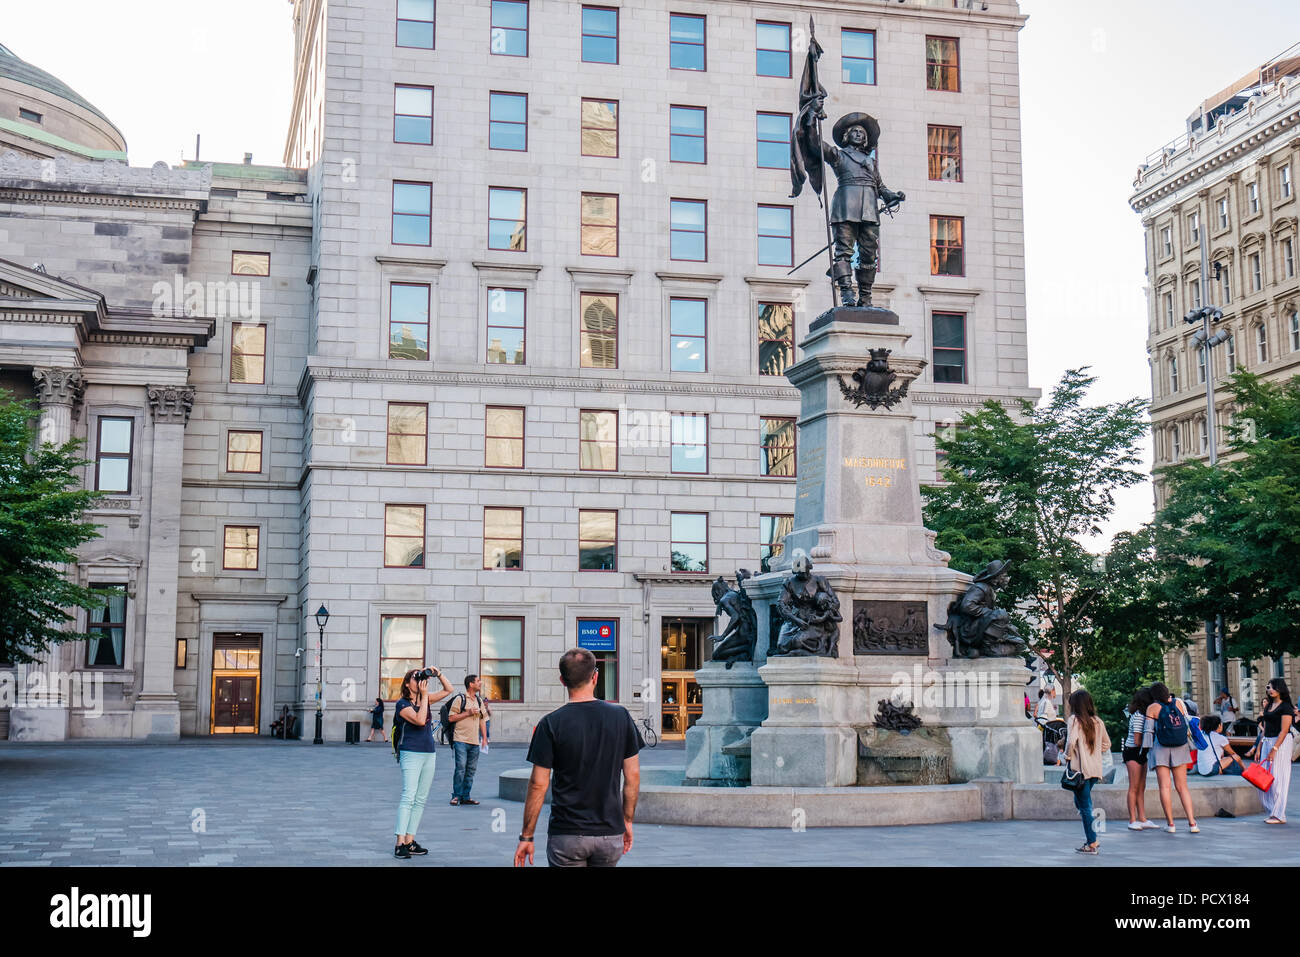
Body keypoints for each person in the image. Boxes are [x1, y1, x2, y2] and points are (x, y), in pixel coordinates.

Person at [514, 648, 643, 868]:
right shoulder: (621, 717)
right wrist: (627, 821)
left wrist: (527, 836)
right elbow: (633, 776)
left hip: (567, 834)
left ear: (562, 680)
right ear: (596, 676)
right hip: (609, 834)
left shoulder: (550, 724)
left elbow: (538, 784)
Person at [392, 666, 454, 859]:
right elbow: (419, 720)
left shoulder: (425, 698)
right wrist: (425, 695)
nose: (418, 680)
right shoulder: (402, 705)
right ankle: (399, 843)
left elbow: (449, 690)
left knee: (420, 799)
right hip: (411, 753)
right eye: (414, 677)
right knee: (408, 797)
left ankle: (410, 841)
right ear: (407, 683)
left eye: (420, 676)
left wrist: (438, 674)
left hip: (429, 753)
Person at [1145, 682, 1200, 834]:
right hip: (1180, 747)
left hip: (1161, 748)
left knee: (1165, 787)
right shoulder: (1180, 703)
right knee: (1182, 787)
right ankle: (1192, 823)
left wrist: (1145, 752)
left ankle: (1171, 824)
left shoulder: (1152, 708)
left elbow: (1148, 733)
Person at [1065, 689, 1111, 854]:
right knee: (1081, 802)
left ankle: (1092, 843)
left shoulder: (1074, 720)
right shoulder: (1098, 722)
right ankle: (1091, 840)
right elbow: (1107, 744)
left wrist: (1067, 756)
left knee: (1085, 806)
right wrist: (1094, 752)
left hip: (1080, 770)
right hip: (1094, 770)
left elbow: (1071, 742)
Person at [1246, 678, 1294, 824]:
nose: (1270, 690)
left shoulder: (1286, 707)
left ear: (1280, 689)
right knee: (1263, 779)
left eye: (1273, 687)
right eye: (1268, 687)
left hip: (1281, 743)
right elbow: (1265, 728)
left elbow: (1284, 730)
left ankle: (1279, 814)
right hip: (1267, 741)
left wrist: (1274, 749)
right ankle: (1273, 810)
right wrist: (1259, 747)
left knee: (1278, 778)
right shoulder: (1269, 706)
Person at [448, 674, 488, 806]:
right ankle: (456, 796)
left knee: (471, 770)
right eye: (477, 681)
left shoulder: (479, 701)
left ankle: (466, 796)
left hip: (475, 741)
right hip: (460, 739)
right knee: (460, 768)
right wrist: (468, 713)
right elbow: (451, 718)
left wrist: (484, 738)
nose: (480, 683)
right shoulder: (460, 699)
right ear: (471, 684)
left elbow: (483, 720)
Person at [1123, 687, 1157, 830]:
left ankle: (1142, 818)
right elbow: (1137, 740)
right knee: (1134, 787)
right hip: (1133, 751)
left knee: (1141, 786)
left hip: (1141, 752)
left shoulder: (1144, 715)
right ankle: (1132, 819)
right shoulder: (1138, 716)